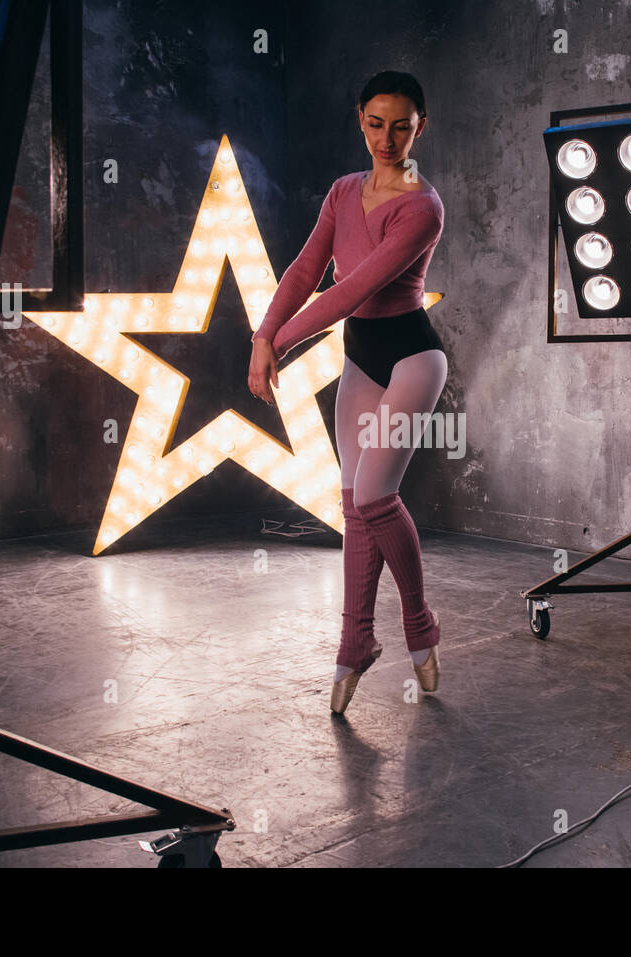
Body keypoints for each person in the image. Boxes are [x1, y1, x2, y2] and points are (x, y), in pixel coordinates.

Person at [247, 70, 447, 716]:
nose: (387, 138)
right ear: (359, 119)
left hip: (413, 356)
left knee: (374, 494)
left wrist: (280, 343)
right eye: (375, 123)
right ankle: (354, 639)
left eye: (402, 125)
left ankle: (419, 622)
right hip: (362, 358)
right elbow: (306, 269)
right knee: (352, 506)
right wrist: (262, 333)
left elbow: (350, 289)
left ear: (422, 126)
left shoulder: (422, 207)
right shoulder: (341, 192)